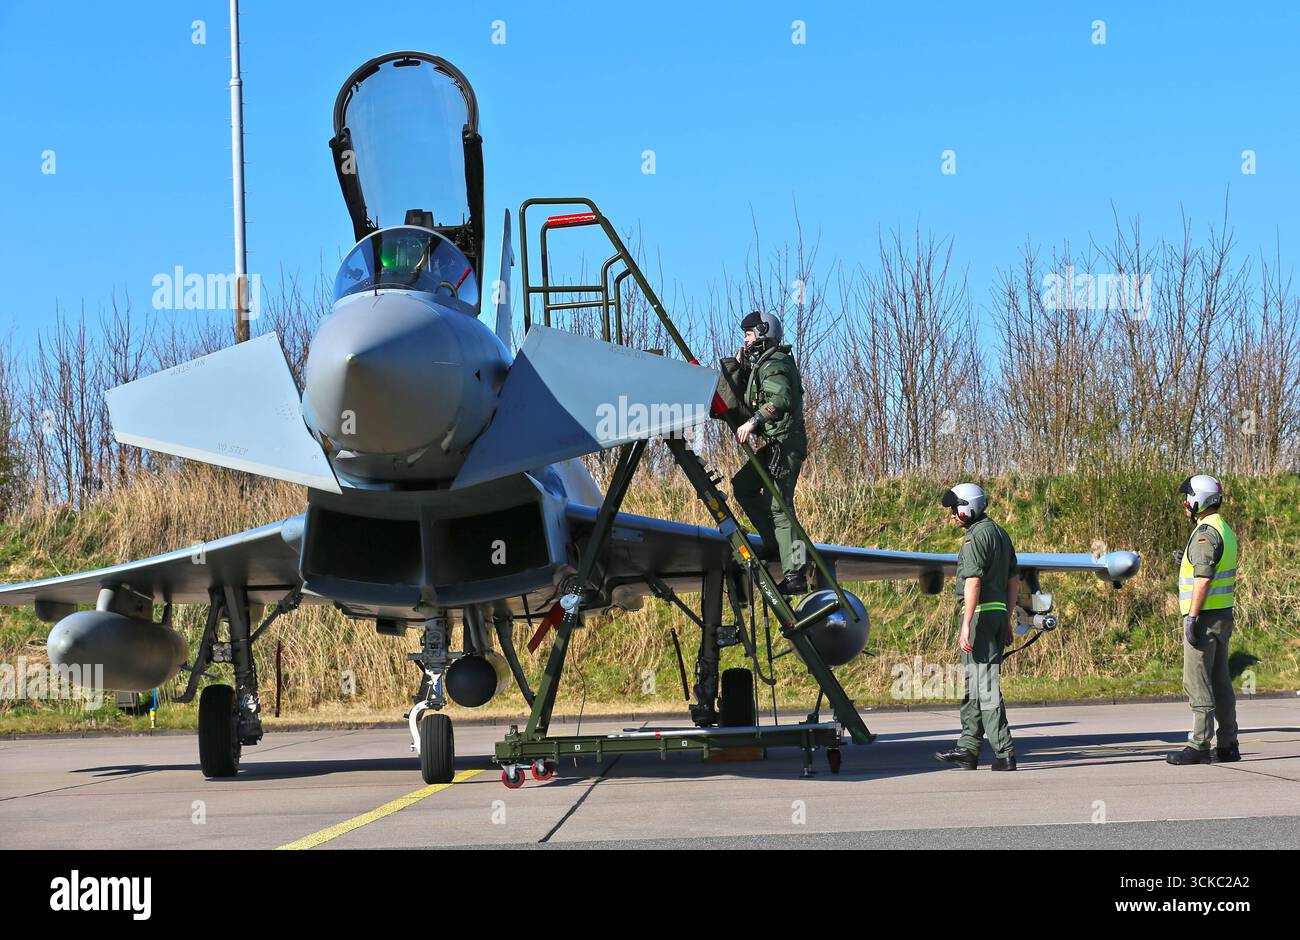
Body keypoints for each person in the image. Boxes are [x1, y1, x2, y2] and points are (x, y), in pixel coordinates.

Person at [934, 483, 1021, 771]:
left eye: (954, 509)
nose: (951, 515)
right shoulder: (1000, 534)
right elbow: (1013, 581)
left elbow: (972, 581)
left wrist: (966, 624)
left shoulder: (974, 538)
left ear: (968, 507)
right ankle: (968, 748)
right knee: (975, 683)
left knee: (985, 686)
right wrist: (1007, 620)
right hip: (996, 616)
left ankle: (1004, 752)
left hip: (980, 616)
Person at [730, 310, 809, 595]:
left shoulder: (775, 362)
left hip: (786, 445)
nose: (745, 340)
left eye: (749, 334)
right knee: (744, 486)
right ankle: (777, 545)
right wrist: (737, 368)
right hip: (776, 445)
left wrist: (754, 422)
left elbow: (781, 399)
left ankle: (797, 572)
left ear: (763, 333)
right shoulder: (761, 365)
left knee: (781, 506)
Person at [1167, 474, 1240, 765]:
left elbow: (1204, 578)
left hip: (1205, 618)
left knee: (1197, 681)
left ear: (1198, 500)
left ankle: (1198, 745)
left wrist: (1191, 618)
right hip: (1223, 616)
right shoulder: (1224, 528)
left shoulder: (1205, 532)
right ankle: (1228, 745)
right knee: (1221, 682)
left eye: (1188, 497)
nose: (1185, 503)